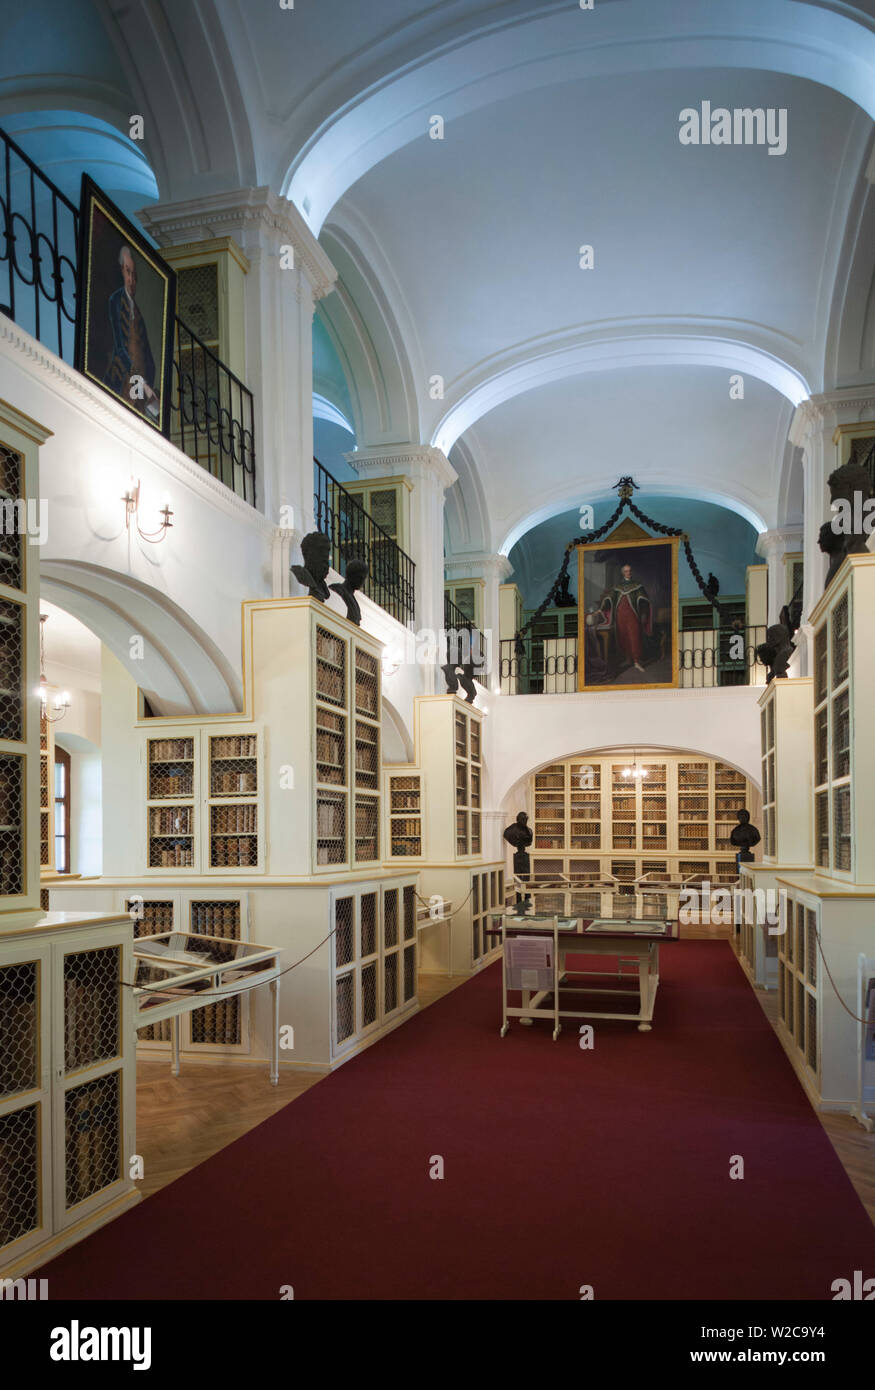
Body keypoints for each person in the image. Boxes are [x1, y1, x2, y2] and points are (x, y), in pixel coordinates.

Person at [104, 245, 159, 417]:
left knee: (137, 419)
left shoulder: (138, 312)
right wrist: (142, 384)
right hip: (124, 378)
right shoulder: (116, 300)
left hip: (138, 383)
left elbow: (147, 353)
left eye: (134, 274)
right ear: (120, 272)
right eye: (128, 272)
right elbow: (120, 348)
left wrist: (149, 385)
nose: (131, 279)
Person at [586, 562, 651, 673]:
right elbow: (609, 598)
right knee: (622, 636)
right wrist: (600, 609)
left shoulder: (638, 586)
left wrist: (644, 613)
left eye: (630, 571)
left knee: (634, 636)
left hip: (633, 615)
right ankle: (627, 658)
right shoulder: (617, 587)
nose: (628, 573)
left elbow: (644, 601)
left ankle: (636, 661)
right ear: (622, 573)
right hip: (620, 615)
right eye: (626, 571)